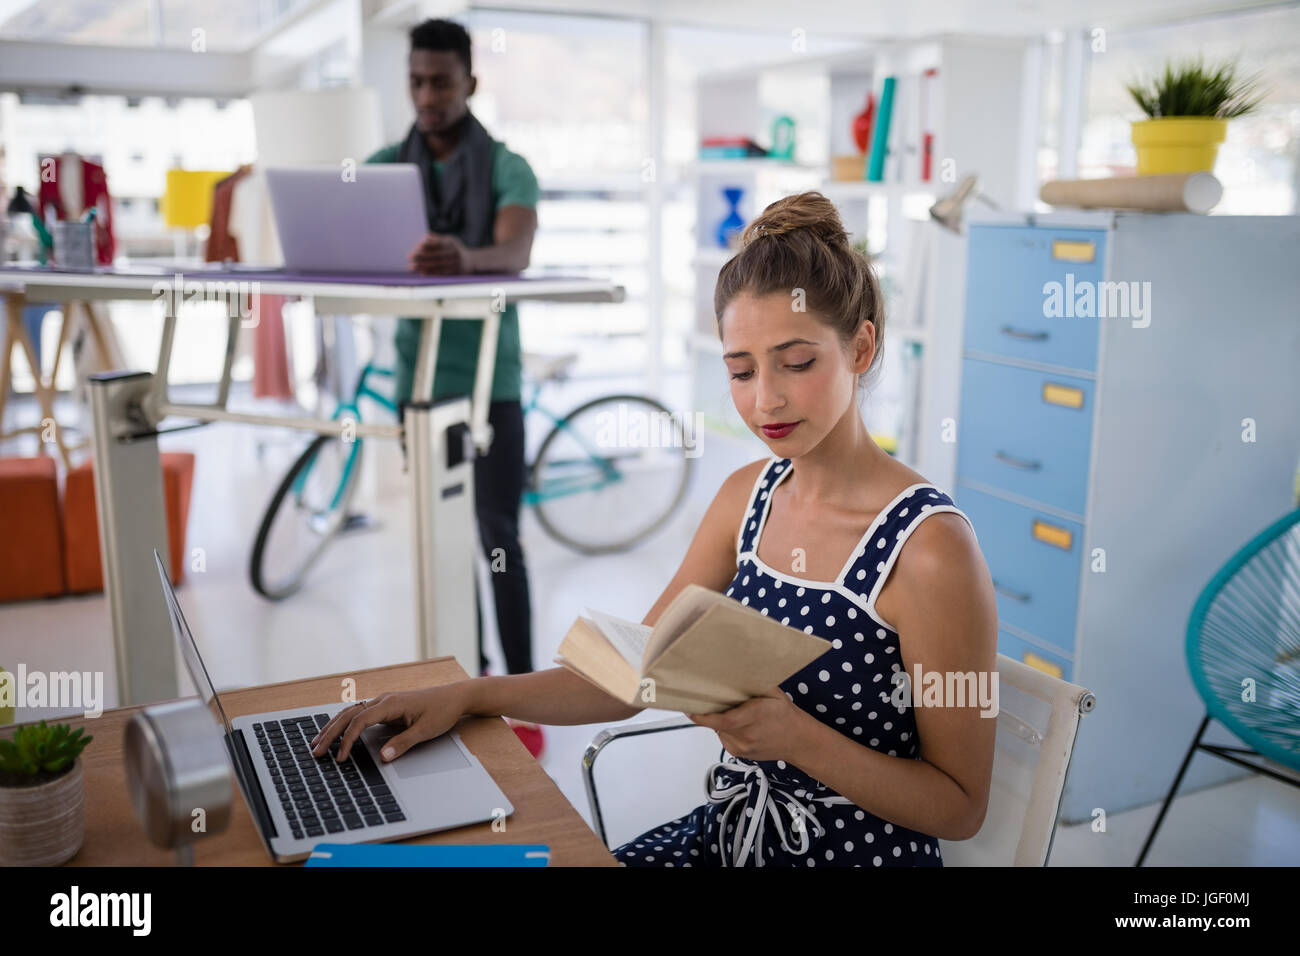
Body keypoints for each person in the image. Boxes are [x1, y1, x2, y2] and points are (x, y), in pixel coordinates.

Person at [311, 191, 999, 867]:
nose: (767, 400)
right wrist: (470, 694)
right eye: (740, 370)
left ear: (861, 347)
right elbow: (634, 674)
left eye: (797, 363)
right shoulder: (746, 499)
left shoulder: (931, 550)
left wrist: (800, 739)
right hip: (730, 835)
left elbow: (961, 805)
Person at [365, 19, 545, 754]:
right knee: (443, 540)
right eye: (416, 81)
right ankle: (468, 691)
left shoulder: (508, 166)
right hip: (420, 383)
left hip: (487, 383)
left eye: (441, 80)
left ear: (469, 82)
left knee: (497, 535)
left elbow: (516, 250)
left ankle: (527, 695)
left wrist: (462, 256)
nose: (427, 95)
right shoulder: (383, 168)